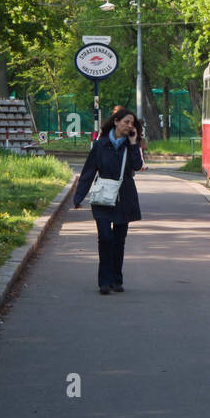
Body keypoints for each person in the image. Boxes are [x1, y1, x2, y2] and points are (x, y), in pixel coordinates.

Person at [73, 108, 143, 294]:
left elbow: (137, 166)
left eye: (132, 123)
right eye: (126, 122)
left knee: (119, 240)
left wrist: (134, 143)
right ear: (116, 122)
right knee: (105, 238)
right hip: (103, 197)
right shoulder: (100, 145)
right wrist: (78, 197)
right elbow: (88, 172)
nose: (129, 126)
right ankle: (104, 282)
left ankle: (116, 280)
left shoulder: (131, 145)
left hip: (124, 198)